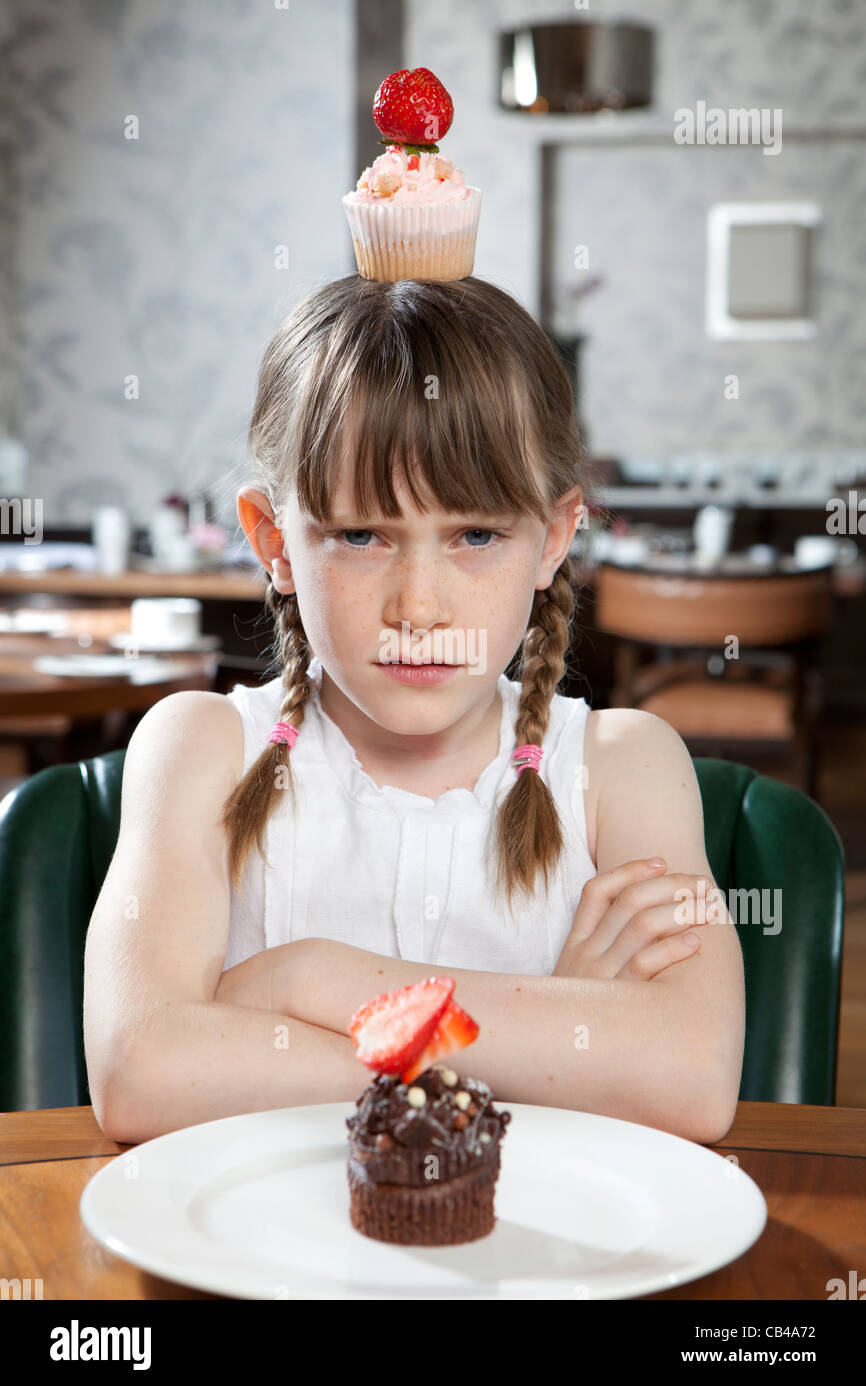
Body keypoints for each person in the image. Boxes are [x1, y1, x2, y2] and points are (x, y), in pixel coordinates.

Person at [83, 276, 745, 1145]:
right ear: (274, 541)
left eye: (476, 535)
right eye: (361, 536)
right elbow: (142, 1070)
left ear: (552, 538)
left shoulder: (624, 766)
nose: (420, 607)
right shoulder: (199, 747)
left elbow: (691, 1078)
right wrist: (558, 1043)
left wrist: (319, 979)